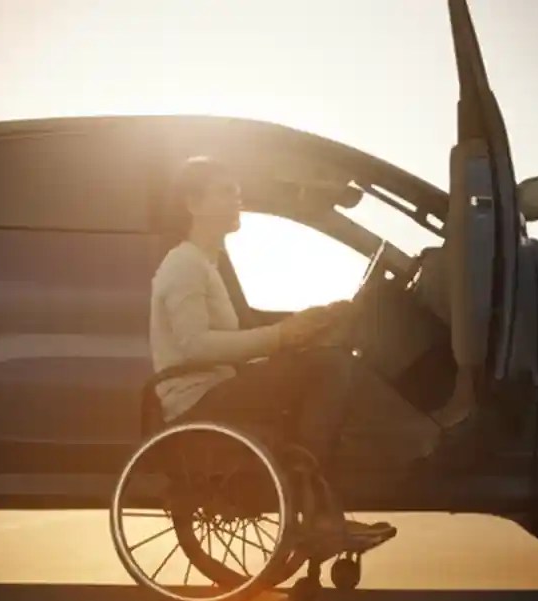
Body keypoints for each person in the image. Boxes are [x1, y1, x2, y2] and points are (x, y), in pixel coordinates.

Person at [148, 156, 396, 551]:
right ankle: (310, 504)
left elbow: (235, 337)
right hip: (198, 400)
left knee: (322, 358)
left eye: (237, 192)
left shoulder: (206, 264)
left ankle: (312, 498)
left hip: (216, 387)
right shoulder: (184, 265)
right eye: (226, 192)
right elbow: (195, 345)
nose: (237, 199)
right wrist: (281, 337)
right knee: (330, 366)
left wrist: (306, 326)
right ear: (192, 204)